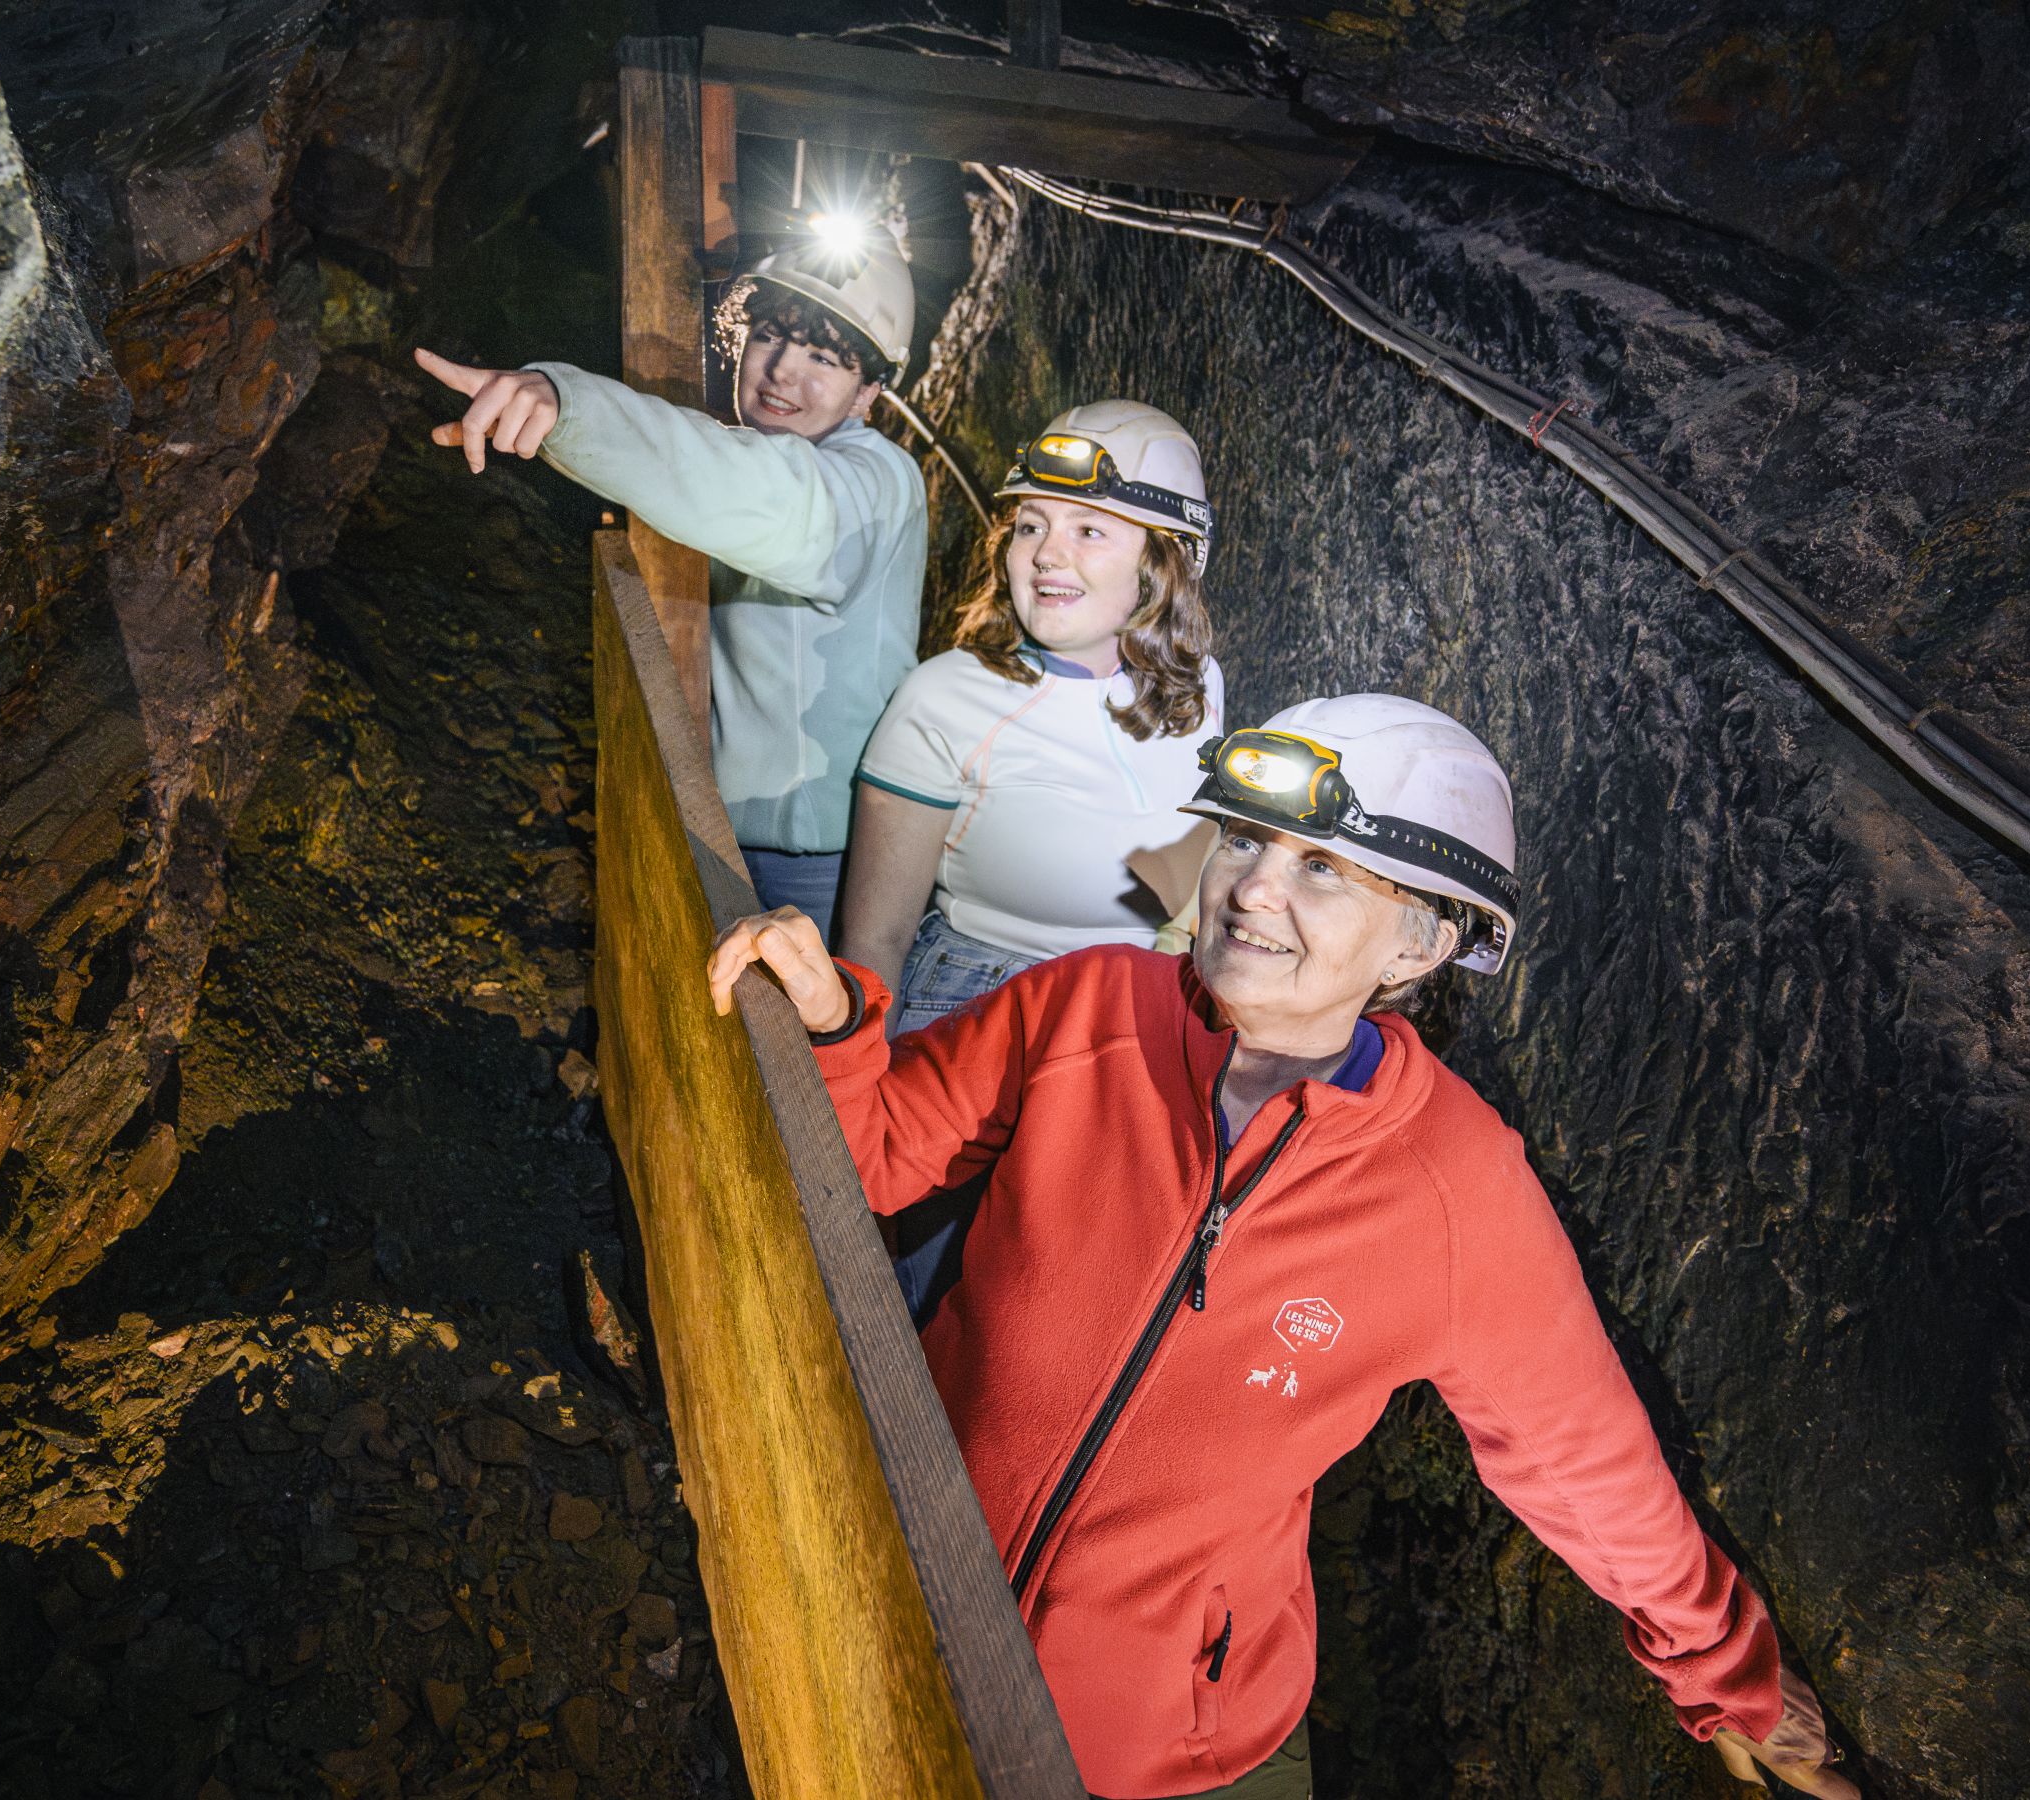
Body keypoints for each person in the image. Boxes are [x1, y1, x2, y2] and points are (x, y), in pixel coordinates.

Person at [708, 695, 1856, 1800]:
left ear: (1418, 944)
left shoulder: (1452, 1191)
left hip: (1146, 1746)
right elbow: (882, 1152)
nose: (1252, 887)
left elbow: (1585, 1466)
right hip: (896, 1584)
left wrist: (1729, 1682)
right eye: (1244, 841)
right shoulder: (1089, 1009)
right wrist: (831, 1021)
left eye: (1322, 870)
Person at [413, 238, 926, 939]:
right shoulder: (763, 449)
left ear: (868, 392)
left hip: (816, 863)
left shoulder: (875, 483)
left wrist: (569, 406)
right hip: (733, 831)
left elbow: (754, 490)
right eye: (770, 335)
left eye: (822, 359)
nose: (782, 370)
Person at [840, 400, 1226, 1032]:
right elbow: (874, 941)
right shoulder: (945, 696)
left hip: (1151, 1000)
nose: (1046, 553)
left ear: (1166, 561)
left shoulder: (1198, 682)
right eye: (1030, 526)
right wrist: (859, 1072)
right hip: (980, 1007)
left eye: (1088, 530)